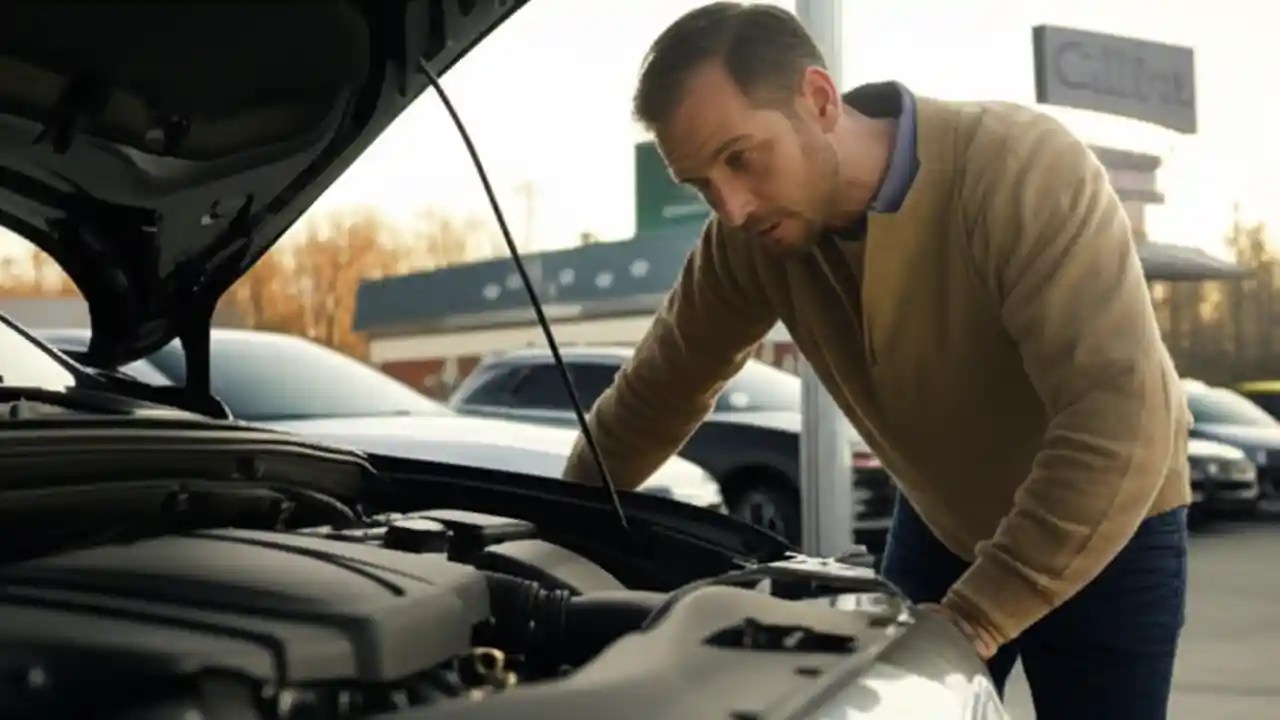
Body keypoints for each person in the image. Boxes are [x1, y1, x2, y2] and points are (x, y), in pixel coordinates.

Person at [560, 3, 1190, 718]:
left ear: (820, 100)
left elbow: (1116, 421)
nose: (731, 207)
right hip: (943, 519)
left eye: (740, 158)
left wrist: (975, 620)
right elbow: (658, 391)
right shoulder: (748, 239)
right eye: (702, 184)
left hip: (1111, 520)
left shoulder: (1019, 169)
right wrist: (562, 519)